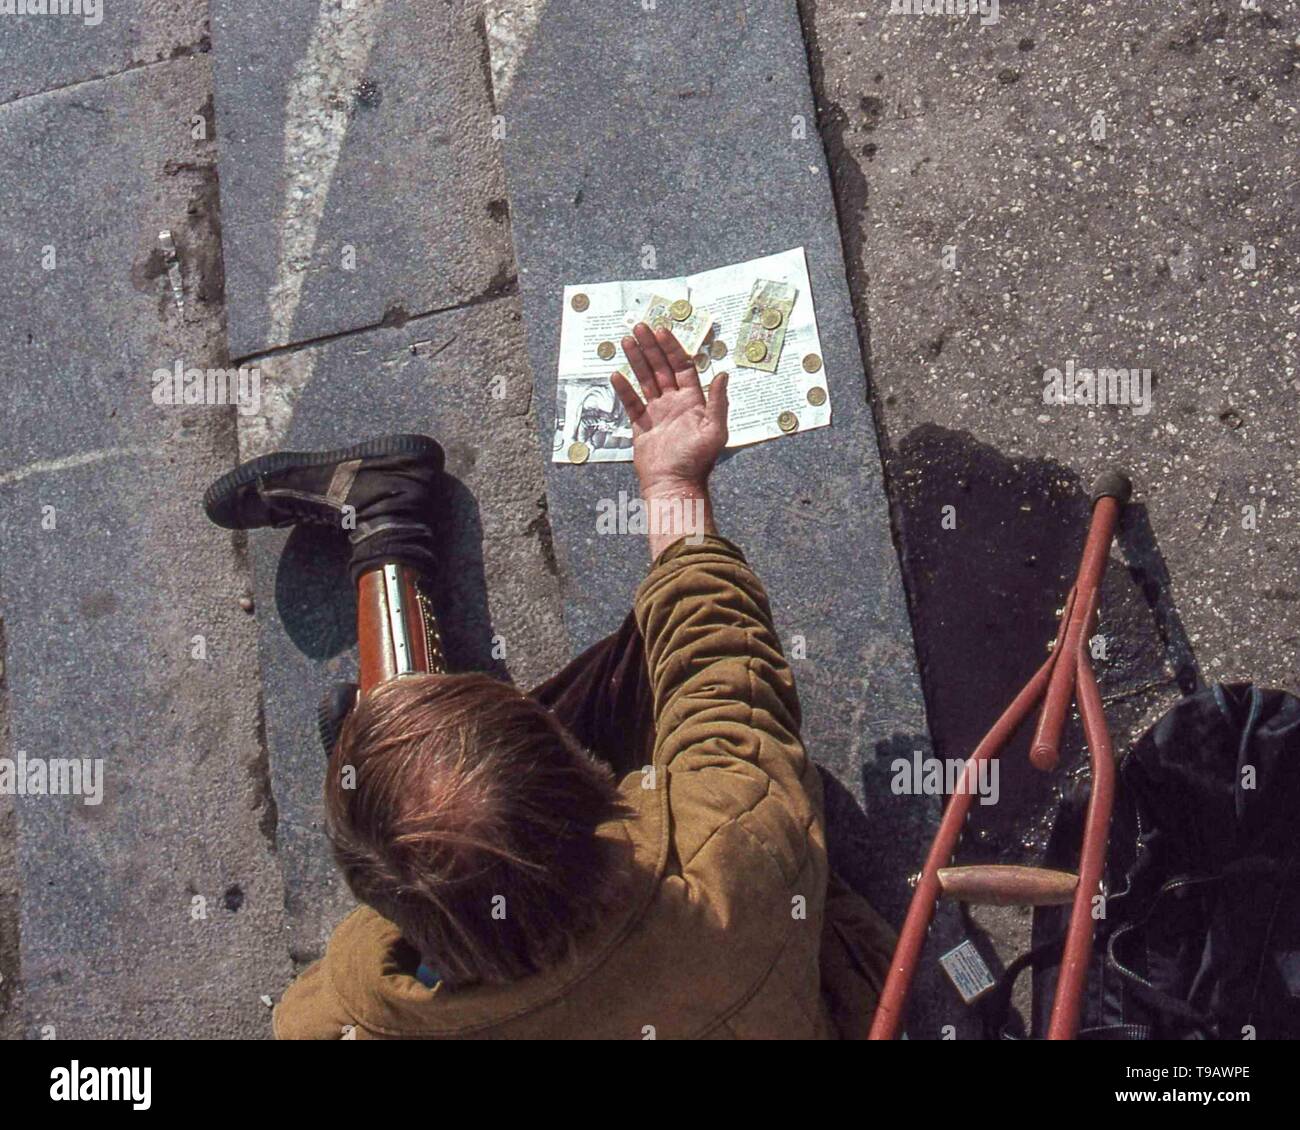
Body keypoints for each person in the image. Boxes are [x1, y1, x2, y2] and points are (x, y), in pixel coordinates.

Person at [204, 323, 894, 1039]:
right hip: (807, 991)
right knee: (636, 660)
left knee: (413, 785)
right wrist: (671, 483)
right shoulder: (734, 853)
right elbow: (723, 678)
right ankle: (386, 548)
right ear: (592, 773)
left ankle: (384, 661)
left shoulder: (353, 1016)